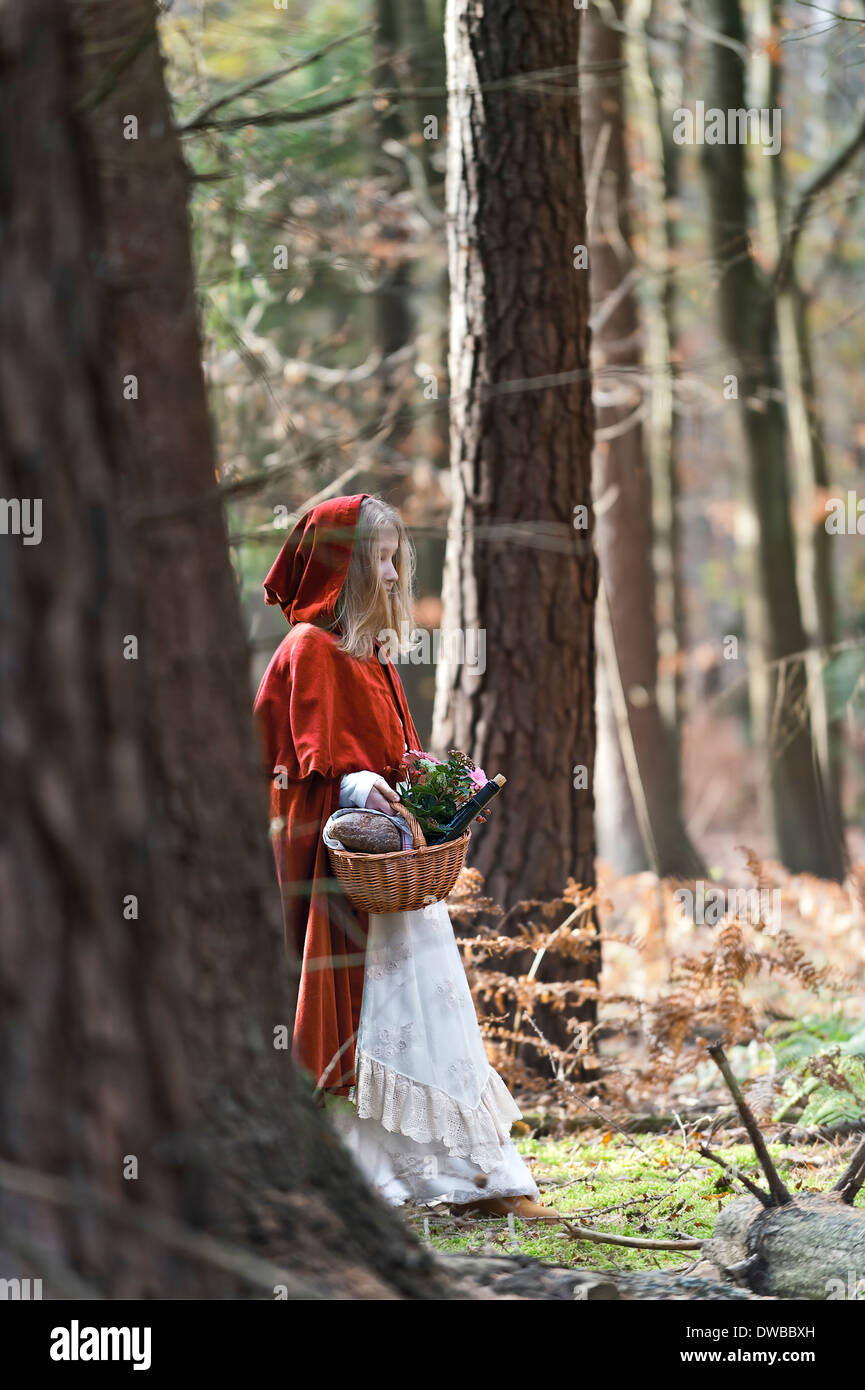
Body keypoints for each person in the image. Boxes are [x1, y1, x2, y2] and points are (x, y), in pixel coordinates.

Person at [253, 492, 558, 1219]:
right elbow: (308, 769)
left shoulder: (367, 655)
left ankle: (474, 1180)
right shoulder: (308, 651)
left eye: (394, 559)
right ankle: (373, 1179)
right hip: (349, 882)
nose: (391, 577)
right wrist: (366, 787)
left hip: (395, 874)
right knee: (377, 1016)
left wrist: (426, 784)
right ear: (339, 567)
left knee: (424, 1010)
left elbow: (383, 755)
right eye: (377, 560)